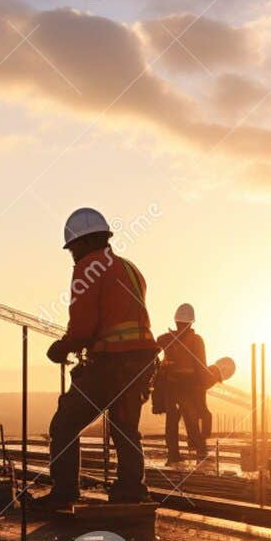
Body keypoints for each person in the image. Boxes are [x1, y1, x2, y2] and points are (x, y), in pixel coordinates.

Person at [39, 207, 158, 506]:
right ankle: (131, 489)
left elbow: (83, 327)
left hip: (113, 362)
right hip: (142, 360)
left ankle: (64, 492)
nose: (73, 256)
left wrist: (61, 348)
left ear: (80, 243)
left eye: (72, 250)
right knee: (124, 426)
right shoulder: (129, 267)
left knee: (65, 423)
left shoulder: (89, 266)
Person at [154, 303, 212, 465]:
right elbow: (201, 365)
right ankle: (199, 452)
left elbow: (157, 344)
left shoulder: (170, 339)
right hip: (184, 387)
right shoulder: (195, 340)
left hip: (175, 386)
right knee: (190, 420)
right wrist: (202, 387)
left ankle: (174, 455)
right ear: (191, 322)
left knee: (173, 422)